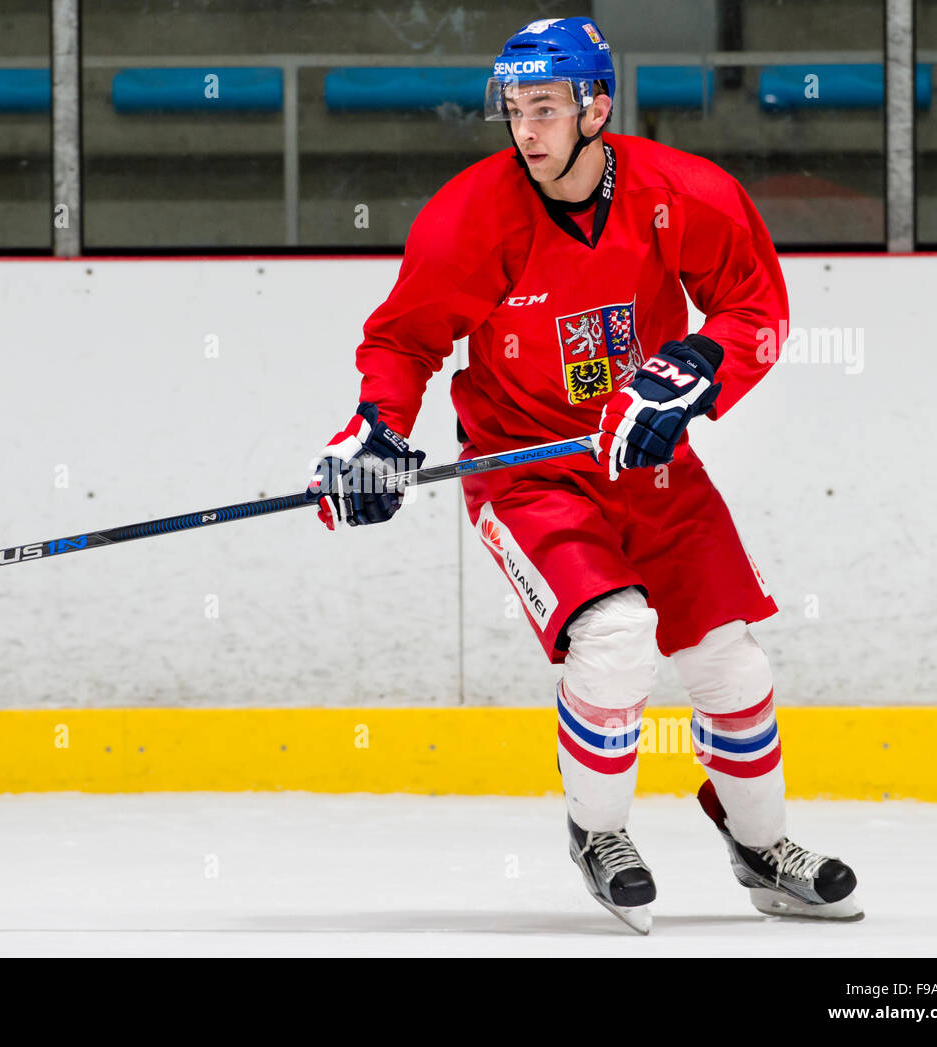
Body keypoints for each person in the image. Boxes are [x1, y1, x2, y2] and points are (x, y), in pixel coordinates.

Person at [306, 16, 860, 934]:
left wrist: (696, 372)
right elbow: (404, 339)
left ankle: (763, 846)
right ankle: (599, 834)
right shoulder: (471, 216)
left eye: (548, 108)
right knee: (615, 634)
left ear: (597, 106)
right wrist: (375, 430)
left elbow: (754, 306)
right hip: (527, 477)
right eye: (516, 109)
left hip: (645, 465)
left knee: (730, 659)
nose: (527, 130)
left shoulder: (682, 193)